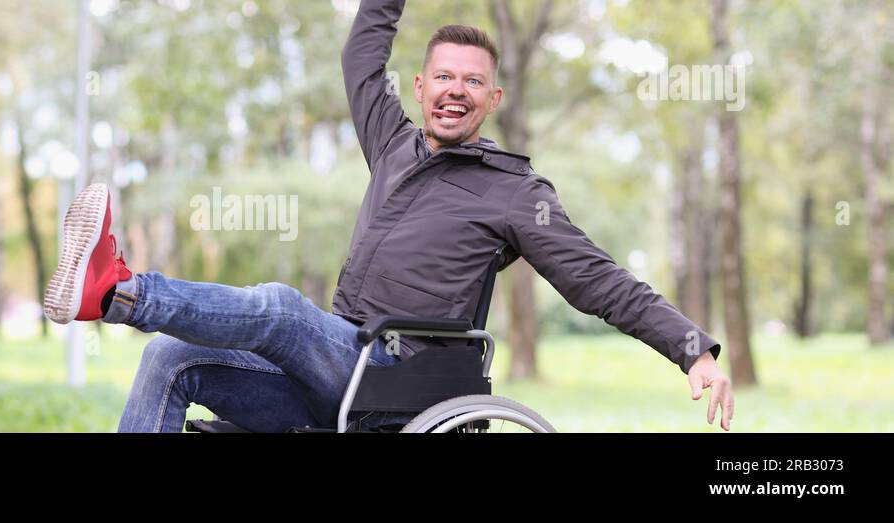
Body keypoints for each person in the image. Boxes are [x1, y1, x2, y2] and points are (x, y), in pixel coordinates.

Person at [43, 0, 733, 433]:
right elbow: (361, 57)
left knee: (281, 309)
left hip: (398, 380)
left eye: (472, 81)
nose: (455, 90)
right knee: (171, 358)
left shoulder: (516, 191)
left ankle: (114, 290)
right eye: (444, 77)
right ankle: (115, 294)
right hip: (333, 368)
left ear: (491, 97)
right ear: (420, 87)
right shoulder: (394, 146)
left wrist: (690, 348)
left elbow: (599, 279)